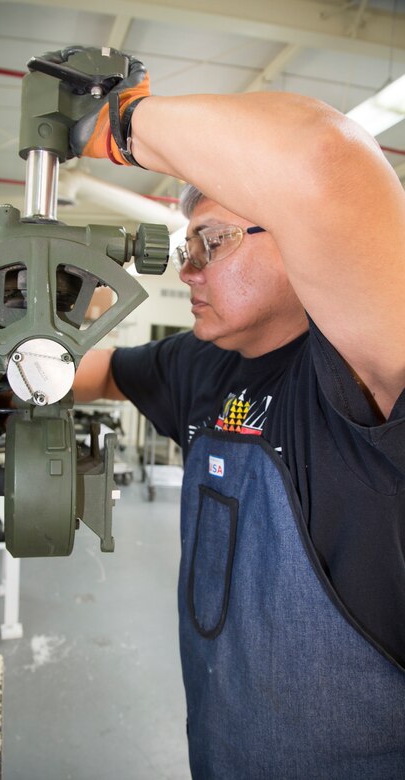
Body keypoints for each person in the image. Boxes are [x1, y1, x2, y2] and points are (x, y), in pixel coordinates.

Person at [59, 45, 405, 777]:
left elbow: (325, 157)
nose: (187, 268)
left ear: (296, 242)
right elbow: (83, 378)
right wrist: (38, 336)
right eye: (187, 246)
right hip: (221, 751)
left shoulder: (359, 370)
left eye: (210, 243)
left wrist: (122, 123)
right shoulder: (200, 364)